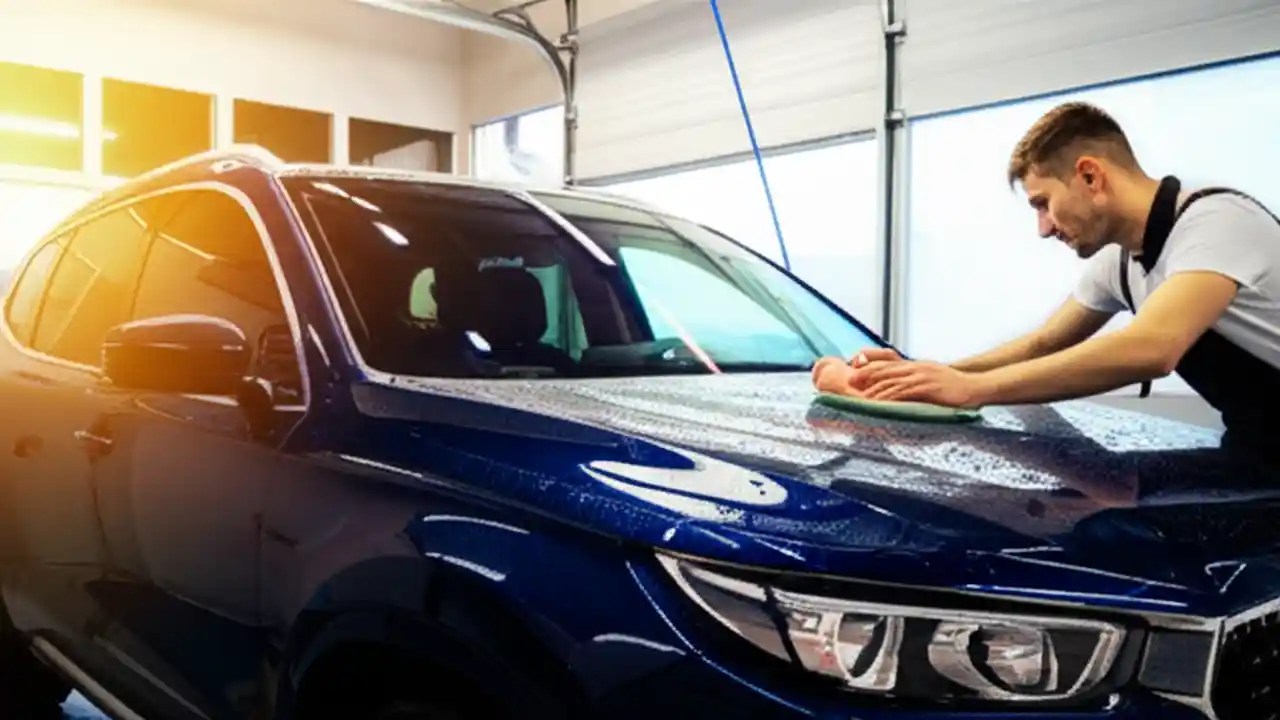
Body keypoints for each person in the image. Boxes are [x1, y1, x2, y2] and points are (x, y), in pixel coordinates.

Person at [818, 101, 1280, 452]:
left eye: (1042, 203)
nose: (1042, 229)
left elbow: (1153, 348)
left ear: (1090, 177)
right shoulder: (1119, 264)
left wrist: (973, 390)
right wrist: (925, 374)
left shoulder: (1217, 221)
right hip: (1252, 446)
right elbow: (1042, 344)